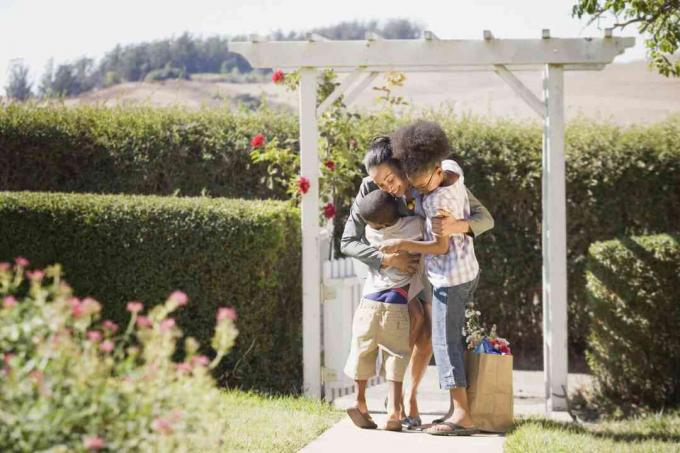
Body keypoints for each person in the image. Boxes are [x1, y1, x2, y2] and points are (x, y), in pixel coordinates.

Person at [340, 135, 494, 429]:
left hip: (430, 264)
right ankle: (394, 402)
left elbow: (484, 218)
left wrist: (456, 226)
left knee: (428, 331)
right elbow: (348, 241)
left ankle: (409, 395)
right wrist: (386, 259)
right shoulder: (370, 188)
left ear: (402, 164)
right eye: (379, 181)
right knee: (402, 322)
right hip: (391, 266)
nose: (386, 186)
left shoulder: (428, 178)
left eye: (389, 177)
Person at [382, 120, 480, 436]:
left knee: (444, 341)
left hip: (451, 277)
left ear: (436, 170)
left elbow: (438, 245)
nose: (420, 189)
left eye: (424, 183)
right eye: (416, 184)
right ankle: (456, 409)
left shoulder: (440, 203)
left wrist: (403, 243)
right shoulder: (450, 169)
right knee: (446, 338)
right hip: (459, 272)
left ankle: (462, 414)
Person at [344, 190, 425, 432]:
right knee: (396, 355)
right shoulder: (414, 226)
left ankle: (359, 401)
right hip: (396, 301)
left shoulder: (371, 233)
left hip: (368, 302)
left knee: (362, 350)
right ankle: (394, 412)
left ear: (376, 224)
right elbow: (423, 221)